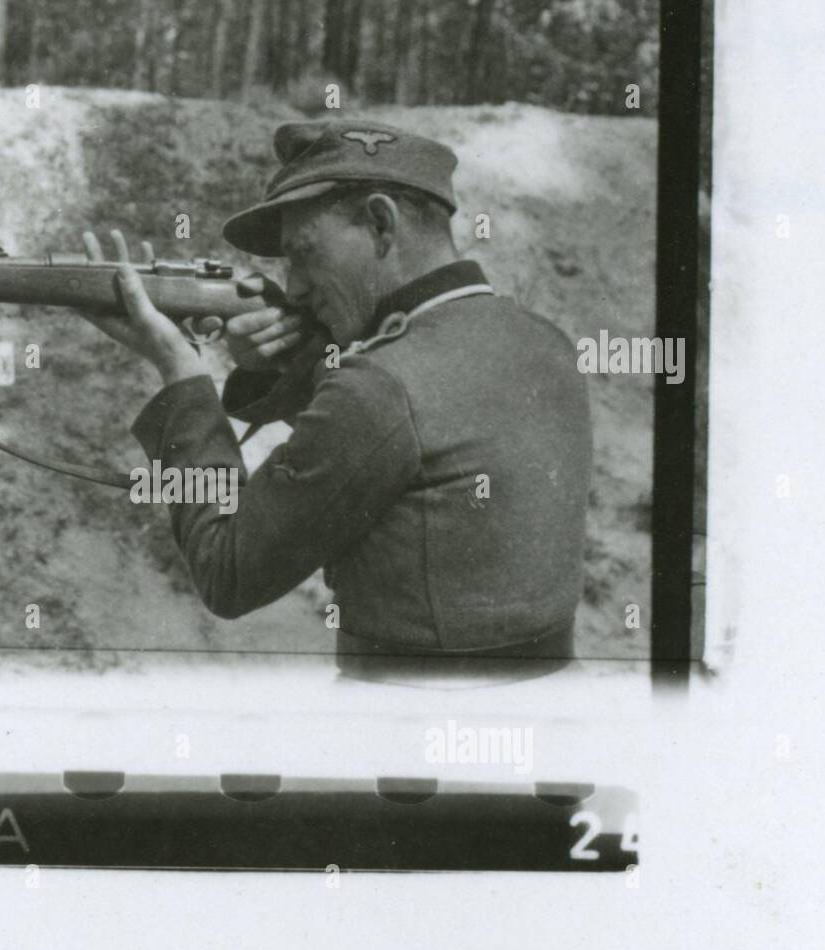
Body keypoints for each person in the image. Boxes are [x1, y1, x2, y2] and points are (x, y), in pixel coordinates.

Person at [80, 119, 592, 681]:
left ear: (380, 224)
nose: (294, 286)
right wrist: (280, 366)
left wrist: (181, 372)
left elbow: (226, 573)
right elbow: (408, 446)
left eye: (303, 254)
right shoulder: (544, 340)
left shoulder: (377, 385)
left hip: (407, 718)